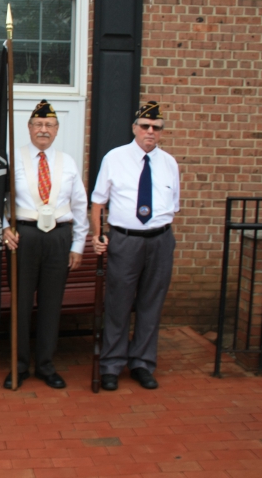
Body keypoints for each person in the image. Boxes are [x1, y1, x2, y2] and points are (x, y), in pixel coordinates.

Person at [91, 100, 180, 391]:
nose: (150, 132)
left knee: (151, 305)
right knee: (117, 304)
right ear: (134, 128)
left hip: (160, 240)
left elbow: (172, 206)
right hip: (125, 241)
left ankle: (142, 363)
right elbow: (97, 202)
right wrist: (97, 234)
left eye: (156, 127)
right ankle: (111, 365)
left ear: (162, 132)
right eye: (145, 126)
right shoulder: (114, 158)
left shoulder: (169, 163)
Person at [1, 100, 89, 389]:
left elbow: (79, 205)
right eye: (38, 124)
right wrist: (3, 229)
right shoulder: (13, 159)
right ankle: (19, 364)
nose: (43, 129)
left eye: (49, 125)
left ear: (57, 130)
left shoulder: (68, 162)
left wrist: (77, 245)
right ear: (28, 128)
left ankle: (47, 365)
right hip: (24, 237)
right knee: (21, 304)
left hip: (58, 238)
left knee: (51, 305)